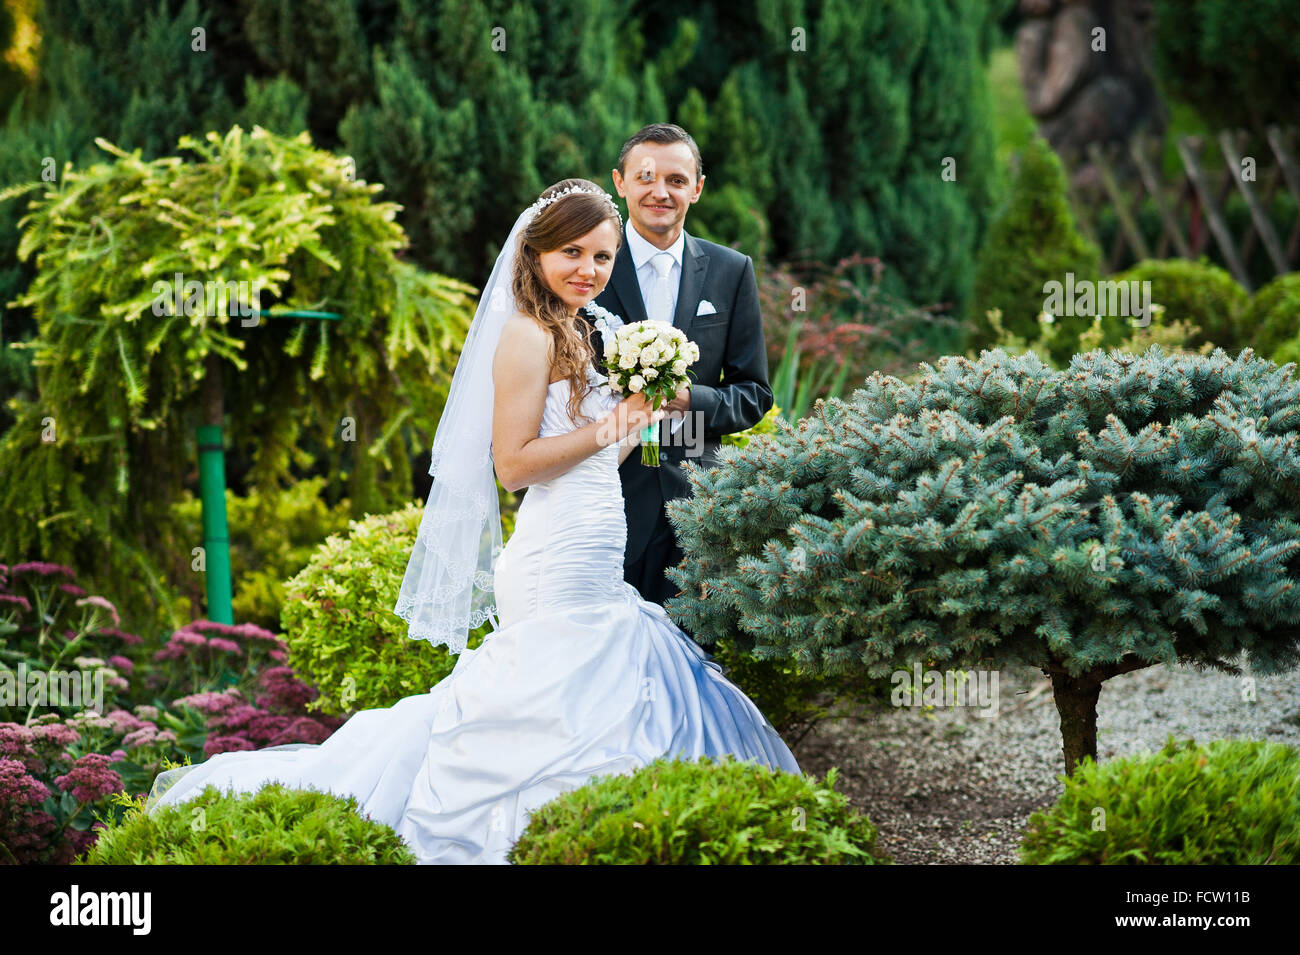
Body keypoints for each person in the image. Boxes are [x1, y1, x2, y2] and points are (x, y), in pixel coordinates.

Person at [146, 178, 801, 865]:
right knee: (550, 706)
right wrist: (613, 425)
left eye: (604, 257)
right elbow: (515, 464)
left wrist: (648, 415)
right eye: (572, 252)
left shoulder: (585, 330)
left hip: (597, 559)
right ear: (536, 254)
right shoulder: (524, 336)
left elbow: (600, 448)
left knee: (617, 689)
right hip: (553, 564)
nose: (588, 269)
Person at [588, 123, 773, 608]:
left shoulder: (731, 271)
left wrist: (691, 398)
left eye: (676, 179)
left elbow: (754, 393)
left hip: (697, 501)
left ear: (697, 188)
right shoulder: (586, 270)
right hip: (605, 492)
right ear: (620, 182)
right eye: (646, 176)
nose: (660, 192)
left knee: (690, 656)